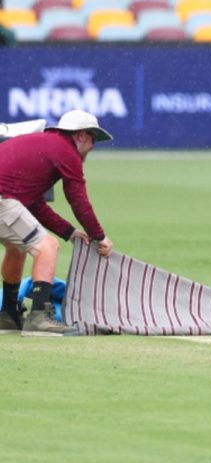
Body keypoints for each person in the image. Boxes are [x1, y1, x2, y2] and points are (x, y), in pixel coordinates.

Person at [0, 109, 114, 336]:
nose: (93, 146)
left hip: (5, 198)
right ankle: (40, 317)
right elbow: (78, 200)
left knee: (18, 246)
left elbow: (34, 206)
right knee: (47, 247)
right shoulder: (66, 151)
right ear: (80, 135)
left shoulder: (45, 145)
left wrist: (70, 232)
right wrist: (100, 236)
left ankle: (8, 316)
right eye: (92, 138)